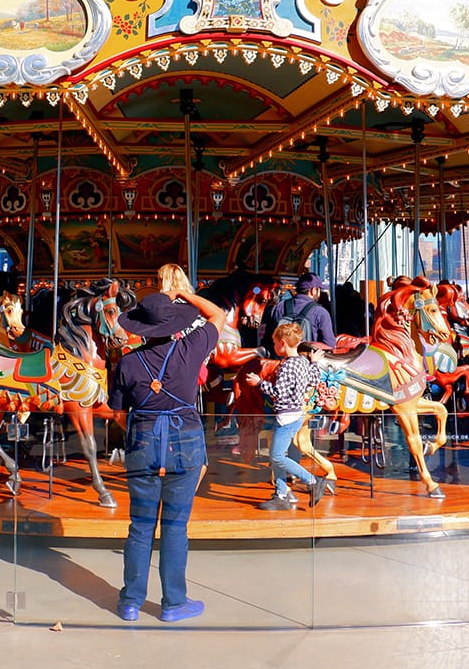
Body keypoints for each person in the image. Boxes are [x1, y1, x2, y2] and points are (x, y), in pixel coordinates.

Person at [110, 265, 225, 623]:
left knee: (140, 525)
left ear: (141, 329)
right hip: (184, 442)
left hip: (143, 442)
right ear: (173, 324)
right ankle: (174, 603)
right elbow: (218, 314)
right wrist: (183, 296)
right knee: (175, 526)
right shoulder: (192, 348)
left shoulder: (127, 363)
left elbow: (117, 414)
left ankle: (131, 602)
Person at [243, 323, 329, 511]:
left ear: (282, 344)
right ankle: (281, 493)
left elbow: (278, 393)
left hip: (286, 416)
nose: (273, 347)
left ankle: (313, 481)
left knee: (276, 456)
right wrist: (313, 362)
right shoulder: (302, 362)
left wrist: (259, 383)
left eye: (274, 343)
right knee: (277, 456)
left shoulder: (287, 366)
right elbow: (314, 380)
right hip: (294, 414)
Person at [261, 272, 335, 351]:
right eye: (319, 290)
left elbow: (268, 340)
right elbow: (329, 345)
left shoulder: (278, 307)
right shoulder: (320, 312)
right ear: (313, 290)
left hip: (280, 360)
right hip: (308, 361)